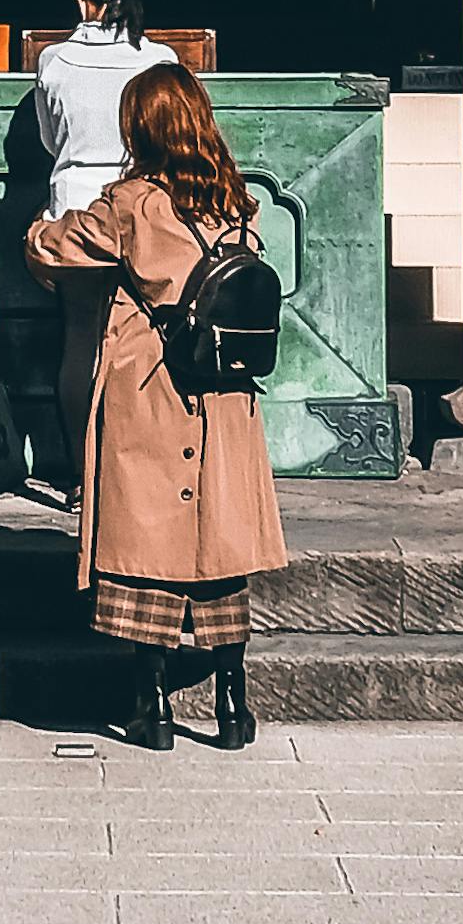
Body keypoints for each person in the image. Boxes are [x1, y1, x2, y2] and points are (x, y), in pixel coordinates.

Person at [28, 62, 285, 752]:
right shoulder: (238, 203)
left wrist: (29, 230)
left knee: (147, 547)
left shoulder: (131, 204)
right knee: (218, 549)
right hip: (226, 395)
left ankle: (153, 707)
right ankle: (232, 706)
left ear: (138, 129)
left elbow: (54, 247)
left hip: (152, 385)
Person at [22, 0, 173, 481]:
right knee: (146, 339)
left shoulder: (53, 60)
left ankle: (81, 474)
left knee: (80, 336)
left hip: (77, 213)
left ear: (82, 2)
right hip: (144, 210)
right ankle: (135, 470)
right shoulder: (161, 60)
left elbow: (50, 141)